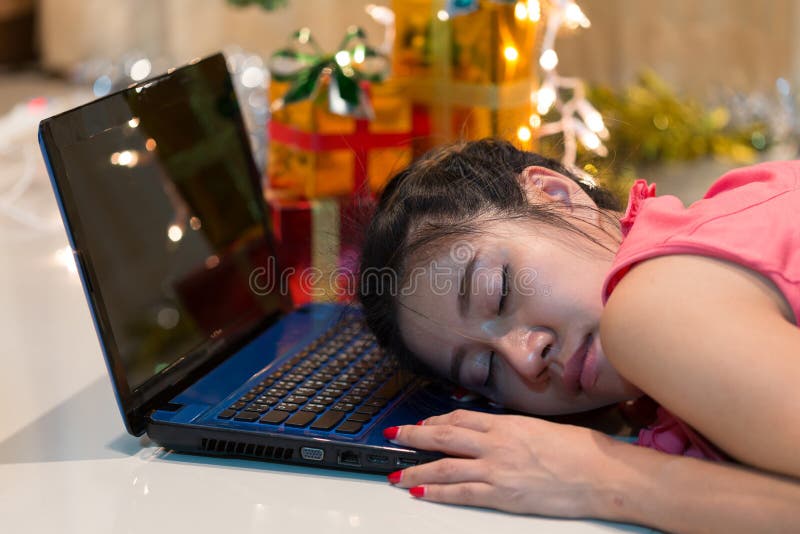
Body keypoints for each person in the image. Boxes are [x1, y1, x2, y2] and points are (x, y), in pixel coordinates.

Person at [356, 138, 800, 532]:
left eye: (501, 291)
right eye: (484, 369)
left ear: (556, 195)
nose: (524, 359)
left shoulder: (649, 307)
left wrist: (603, 477)